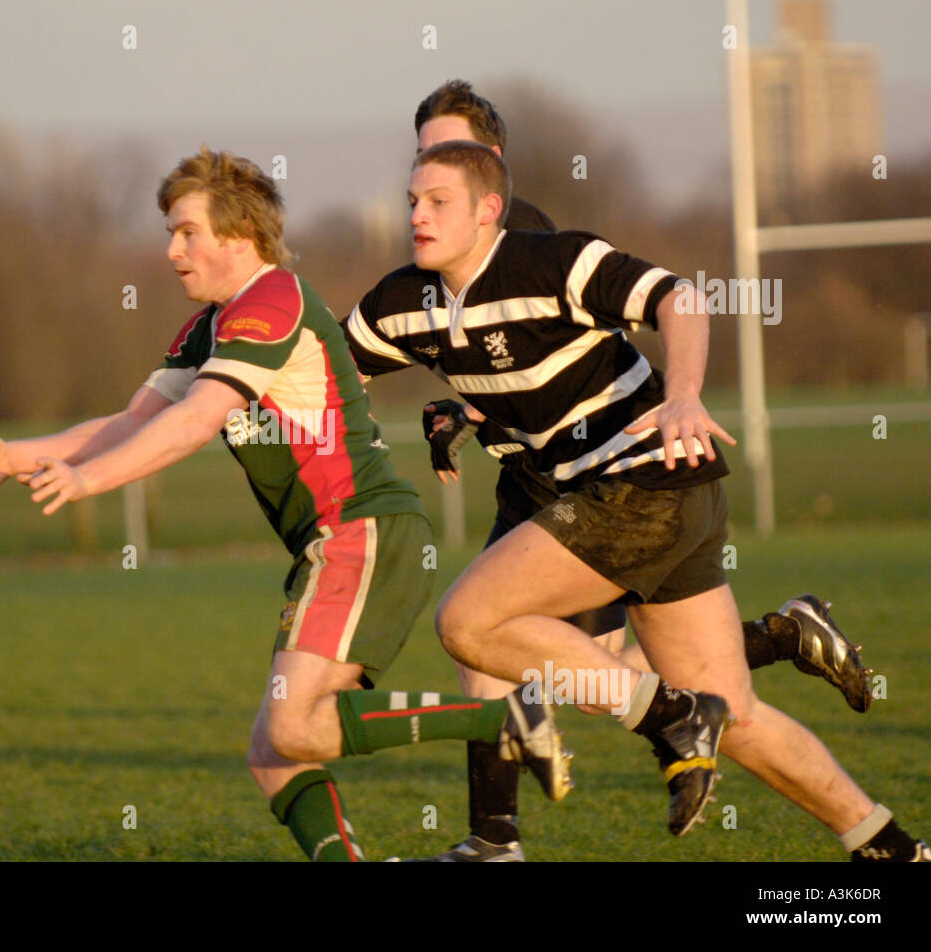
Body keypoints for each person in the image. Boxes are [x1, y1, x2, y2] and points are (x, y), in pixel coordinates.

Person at [0, 146, 560, 862]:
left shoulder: (271, 301)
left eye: (186, 231)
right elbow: (133, 421)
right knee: (274, 753)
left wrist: (87, 481)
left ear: (238, 235)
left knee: (293, 728)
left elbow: (195, 423)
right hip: (335, 543)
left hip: (361, 531)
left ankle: (501, 715)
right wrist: (13, 456)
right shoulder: (212, 327)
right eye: (170, 232)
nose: (171, 251)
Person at [342, 137, 925, 860]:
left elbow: (680, 296)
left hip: (644, 479)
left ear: (489, 210)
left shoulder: (555, 261)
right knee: (735, 713)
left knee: (468, 622)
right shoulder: (401, 303)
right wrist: (229, 363)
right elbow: (324, 373)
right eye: (411, 202)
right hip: (666, 495)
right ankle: (887, 844)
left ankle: (671, 719)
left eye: (437, 201)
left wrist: (683, 394)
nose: (417, 217)